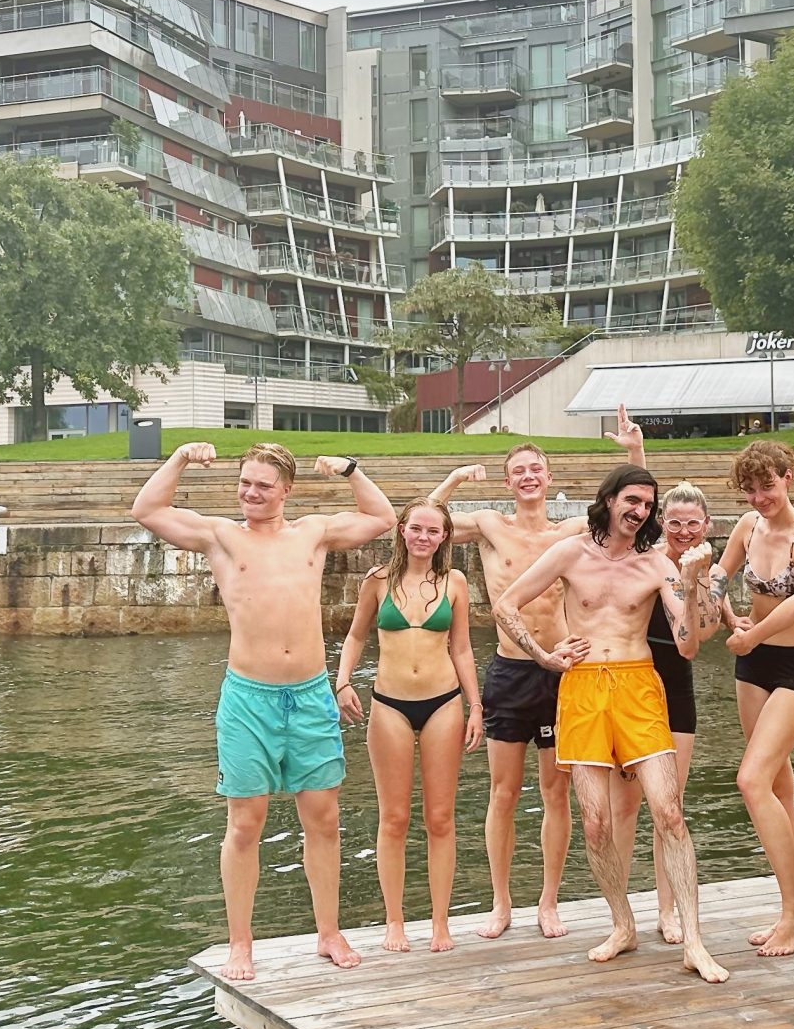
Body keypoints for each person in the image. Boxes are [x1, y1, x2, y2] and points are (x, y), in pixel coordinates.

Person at [132, 440, 395, 981]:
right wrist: (180, 458)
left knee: (323, 819)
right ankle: (241, 943)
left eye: (263, 485)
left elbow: (382, 517)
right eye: (245, 483)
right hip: (248, 699)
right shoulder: (222, 537)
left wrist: (350, 469)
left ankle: (328, 931)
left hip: (309, 695)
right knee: (245, 822)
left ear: (286, 491)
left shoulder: (312, 534)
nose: (251, 493)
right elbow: (148, 511)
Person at [493, 465, 726, 985]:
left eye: (648, 503)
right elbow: (507, 603)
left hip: (639, 685)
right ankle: (623, 925)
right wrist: (542, 656)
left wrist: (692, 583)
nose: (640, 510)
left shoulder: (656, 563)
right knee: (595, 822)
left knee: (669, 811)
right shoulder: (571, 552)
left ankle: (694, 940)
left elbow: (691, 642)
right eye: (633, 500)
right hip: (581, 689)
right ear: (610, 499)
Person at [432, 409, 647, 939]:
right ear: (509, 482)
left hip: (564, 673)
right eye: (519, 471)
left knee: (558, 793)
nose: (528, 477)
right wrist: (457, 480)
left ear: (549, 479)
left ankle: (548, 901)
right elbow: (422, 523)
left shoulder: (574, 531)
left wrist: (634, 453)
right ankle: (501, 901)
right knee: (502, 793)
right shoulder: (489, 525)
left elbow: (637, 518)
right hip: (510, 670)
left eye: (536, 469)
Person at [335, 501, 484, 953]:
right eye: (416, 528)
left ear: (444, 537)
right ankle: (394, 920)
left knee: (440, 818)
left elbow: (461, 649)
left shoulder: (454, 583)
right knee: (394, 818)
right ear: (402, 531)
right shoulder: (377, 581)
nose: (423, 536)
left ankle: (440, 922)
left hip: (443, 702)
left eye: (432, 530)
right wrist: (341, 681)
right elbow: (357, 635)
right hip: (389, 705)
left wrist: (476, 706)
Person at [715, 441, 794, 957]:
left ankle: (793, 912)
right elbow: (718, 578)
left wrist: (753, 633)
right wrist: (724, 615)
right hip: (752, 662)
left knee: (751, 779)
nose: (760, 497)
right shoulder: (746, 527)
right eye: (751, 488)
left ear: (788, 477)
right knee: (779, 789)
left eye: (768, 485)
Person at [620, 482, 722, 945]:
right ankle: (620, 915)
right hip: (634, 682)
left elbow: (699, 637)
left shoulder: (713, 573)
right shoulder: (647, 558)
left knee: (669, 809)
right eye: (675, 521)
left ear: (707, 526)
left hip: (676, 687)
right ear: (663, 522)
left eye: (692, 523)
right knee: (622, 807)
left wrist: (697, 579)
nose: (683, 530)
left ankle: (667, 910)